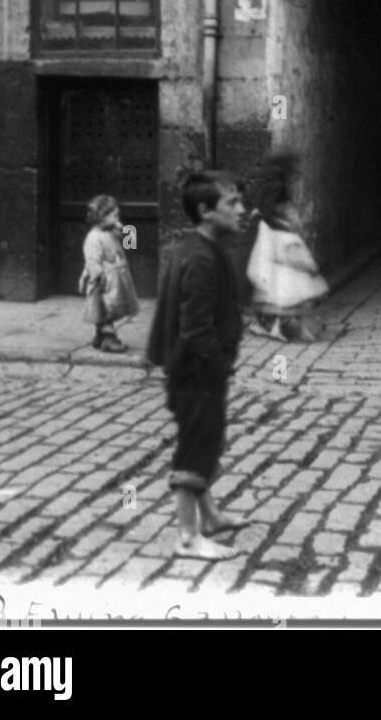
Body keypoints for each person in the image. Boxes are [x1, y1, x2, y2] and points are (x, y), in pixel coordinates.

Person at [146, 170, 247, 560]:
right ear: (205, 211)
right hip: (196, 373)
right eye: (232, 203)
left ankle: (211, 517)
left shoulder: (198, 247)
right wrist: (219, 363)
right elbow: (195, 328)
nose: (242, 209)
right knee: (196, 445)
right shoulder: (200, 260)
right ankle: (188, 536)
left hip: (198, 372)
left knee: (207, 439)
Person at [245, 150, 328, 342]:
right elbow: (267, 208)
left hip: (271, 231)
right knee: (275, 281)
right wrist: (282, 224)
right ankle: (267, 324)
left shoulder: (274, 184)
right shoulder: (276, 186)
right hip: (271, 233)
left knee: (274, 283)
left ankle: (272, 324)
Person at [78, 194, 139, 353]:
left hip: (116, 279)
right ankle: (108, 338)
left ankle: (100, 337)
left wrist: (124, 229)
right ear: (102, 217)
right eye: (115, 215)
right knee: (104, 310)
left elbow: (131, 245)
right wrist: (97, 277)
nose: (118, 218)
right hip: (104, 282)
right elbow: (92, 260)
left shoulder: (112, 232)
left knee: (110, 310)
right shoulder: (94, 238)